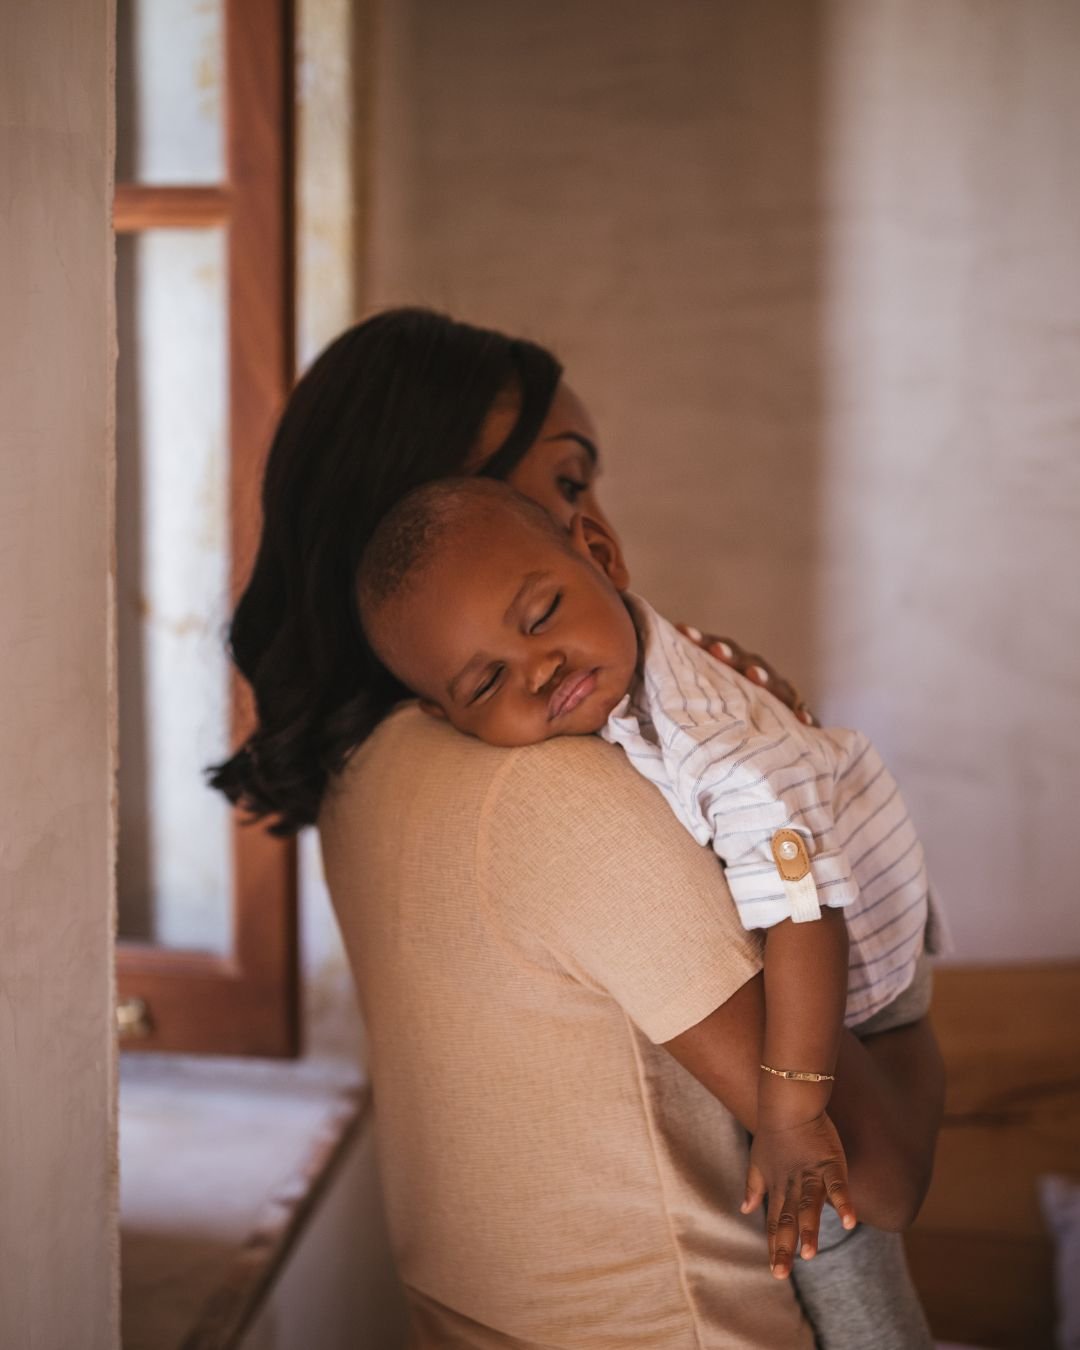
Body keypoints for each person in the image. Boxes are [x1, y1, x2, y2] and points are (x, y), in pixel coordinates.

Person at [211, 308, 944, 1348]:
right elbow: (878, 1175)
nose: (597, 521)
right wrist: (909, 1007)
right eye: (566, 481)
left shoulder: (371, 773)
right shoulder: (551, 790)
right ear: (438, 501)